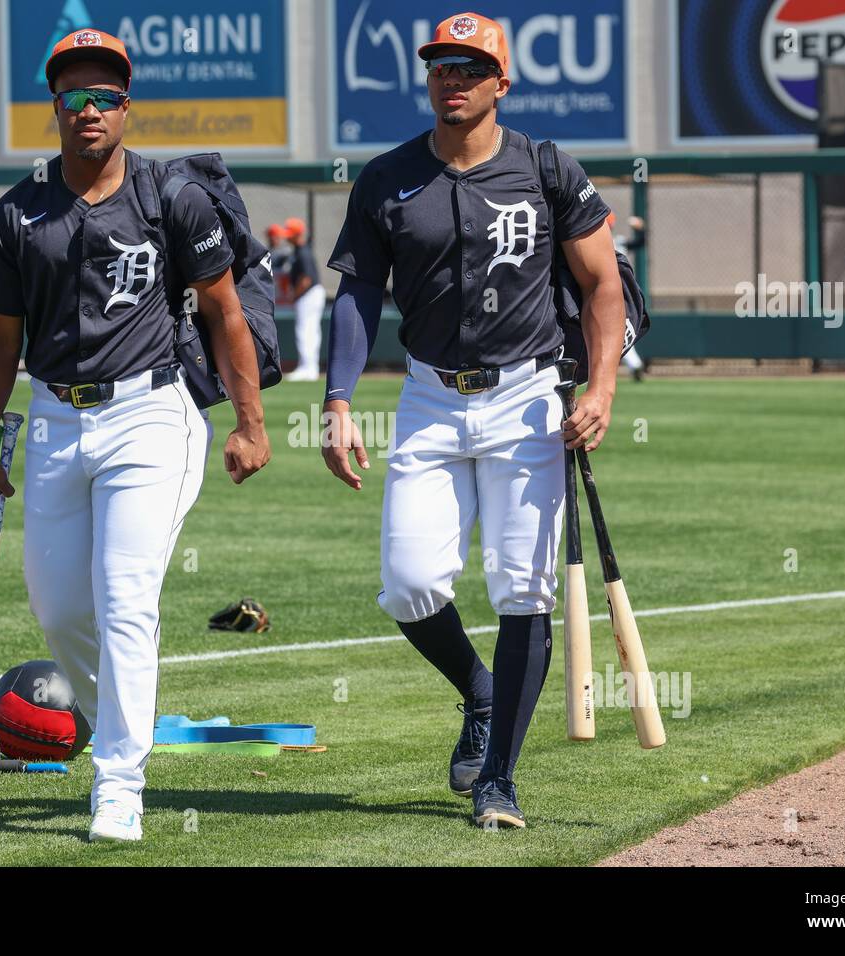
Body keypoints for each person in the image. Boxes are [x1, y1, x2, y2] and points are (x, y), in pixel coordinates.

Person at [0, 28, 270, 843]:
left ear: (127, 109)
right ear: (53, 110)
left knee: (124, 597)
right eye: (73, 97)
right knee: (61, 611)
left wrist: (249, 423)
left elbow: (225, 313)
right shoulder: (19, 212)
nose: (89, 109)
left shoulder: (172, 197)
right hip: (57, 420)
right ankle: (118, 725)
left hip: (150, 416)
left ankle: (119, 784)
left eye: (105, 96)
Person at [320, 11, 624, 828]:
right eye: (440, 68)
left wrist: (600, 390)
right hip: (426, 397)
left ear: (500, 83)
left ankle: (500, 780)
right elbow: (354, 294)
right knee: (410, 584)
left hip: (526, 399)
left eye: (468, 68)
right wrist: (338, 400)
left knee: (523, 591)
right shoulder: (386, 178)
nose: (451, 81)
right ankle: (479, 690)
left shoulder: (547, 168)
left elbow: (602, 284)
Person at [284, 217, 326, 381]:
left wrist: (294, 296)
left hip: (309, 294)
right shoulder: (299, 250)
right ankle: (309, 367)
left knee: (305, 331)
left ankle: (307, 368)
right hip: (310, 294)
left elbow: (306, 279)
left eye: (290, 234)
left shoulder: (303, 252)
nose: (287, 237)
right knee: (310, 331)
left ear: (298, 234)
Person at [608, 213, 647, 382]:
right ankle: (635, 365)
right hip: (618, 292)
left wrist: (641, 230)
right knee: (618, 331)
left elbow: (639, 243)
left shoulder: (617, 241)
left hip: (616, 292)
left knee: (617, 331)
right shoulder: (616, 242)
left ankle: (635, 364)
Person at [266, 223, 294, 307]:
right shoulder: (266, 251)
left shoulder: (286, 252)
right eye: (272, 236)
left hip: (283, 287)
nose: (274, 239)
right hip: (272, 286)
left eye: (276, 236)